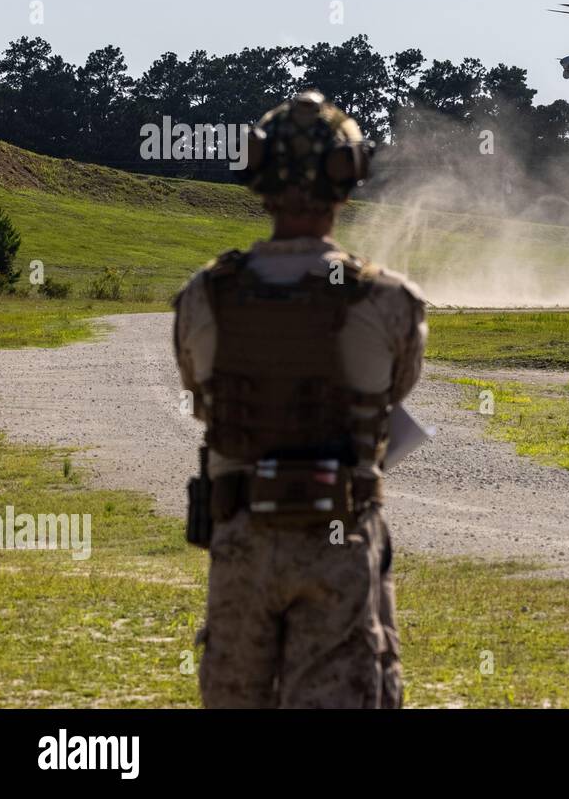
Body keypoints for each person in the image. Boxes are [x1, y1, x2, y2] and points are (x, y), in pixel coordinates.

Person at [173, 90, 426, 708]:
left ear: (256, 173)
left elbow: (202, 399)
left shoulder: (204, 295)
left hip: (242, 537)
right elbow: (397, 394)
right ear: (349, 176)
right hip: (338, 536)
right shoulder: (389, 299)